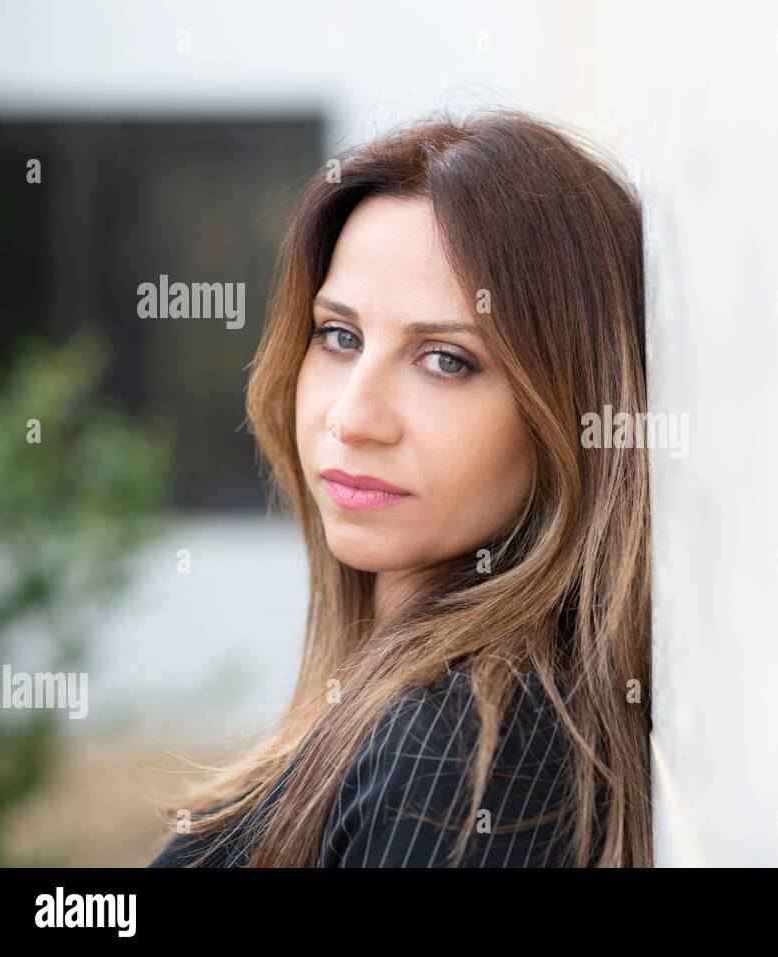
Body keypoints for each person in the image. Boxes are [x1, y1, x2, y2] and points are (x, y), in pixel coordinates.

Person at [149, 108, 651, 867]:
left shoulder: (464, 755)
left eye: (446, 359)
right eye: (339, 336)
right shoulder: (405, 709)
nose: (352, 417)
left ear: (572, 412)